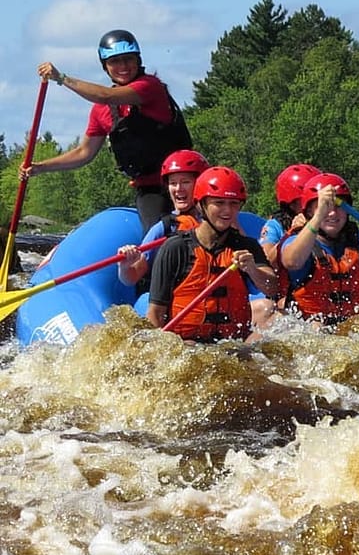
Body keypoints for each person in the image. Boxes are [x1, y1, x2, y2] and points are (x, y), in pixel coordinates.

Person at [21, 30, 192, 232]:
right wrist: (40, 167)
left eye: (128, 59)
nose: (123, 66)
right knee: (156, 236)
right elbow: (83, 153)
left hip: (187, 180)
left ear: (138, 60)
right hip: (150, 188)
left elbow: (107, 95)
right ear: (106, 67)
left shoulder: (149, 87)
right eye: (115, 62)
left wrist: (61, 78)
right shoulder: (100, 112)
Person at [147, 166, 277, 342]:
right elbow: (155, 313)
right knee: (191, 346)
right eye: (219, 203)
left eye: (233, 204)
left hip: (231, 346)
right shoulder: (175, 248)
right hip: (186, 346)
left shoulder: (247, 246)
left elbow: (272, 287)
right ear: (201, 205)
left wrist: (252, 269)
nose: (227, 211)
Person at [279, 172, 359, 325]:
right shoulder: (298, 242)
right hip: (311, 329)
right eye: (325, 206)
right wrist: (319, 216)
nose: (332, 213)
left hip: (358, 328)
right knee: (316, 327)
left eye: (338, 206)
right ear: (309, 211)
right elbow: (292, 262)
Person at [116, 148, 210, 287]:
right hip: (175, 299)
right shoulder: (164, 228)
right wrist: (124, 266)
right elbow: (131, 278)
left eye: (185, 182)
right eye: (173, 183)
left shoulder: (216, 222)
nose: (178, 188)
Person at [259, 163, 319, 265]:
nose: (314, 204)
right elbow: (267, 261)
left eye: (316, 199)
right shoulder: (276, 225)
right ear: (291, 204)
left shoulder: (328, 222)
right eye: (307, 199)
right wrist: (293, 232)